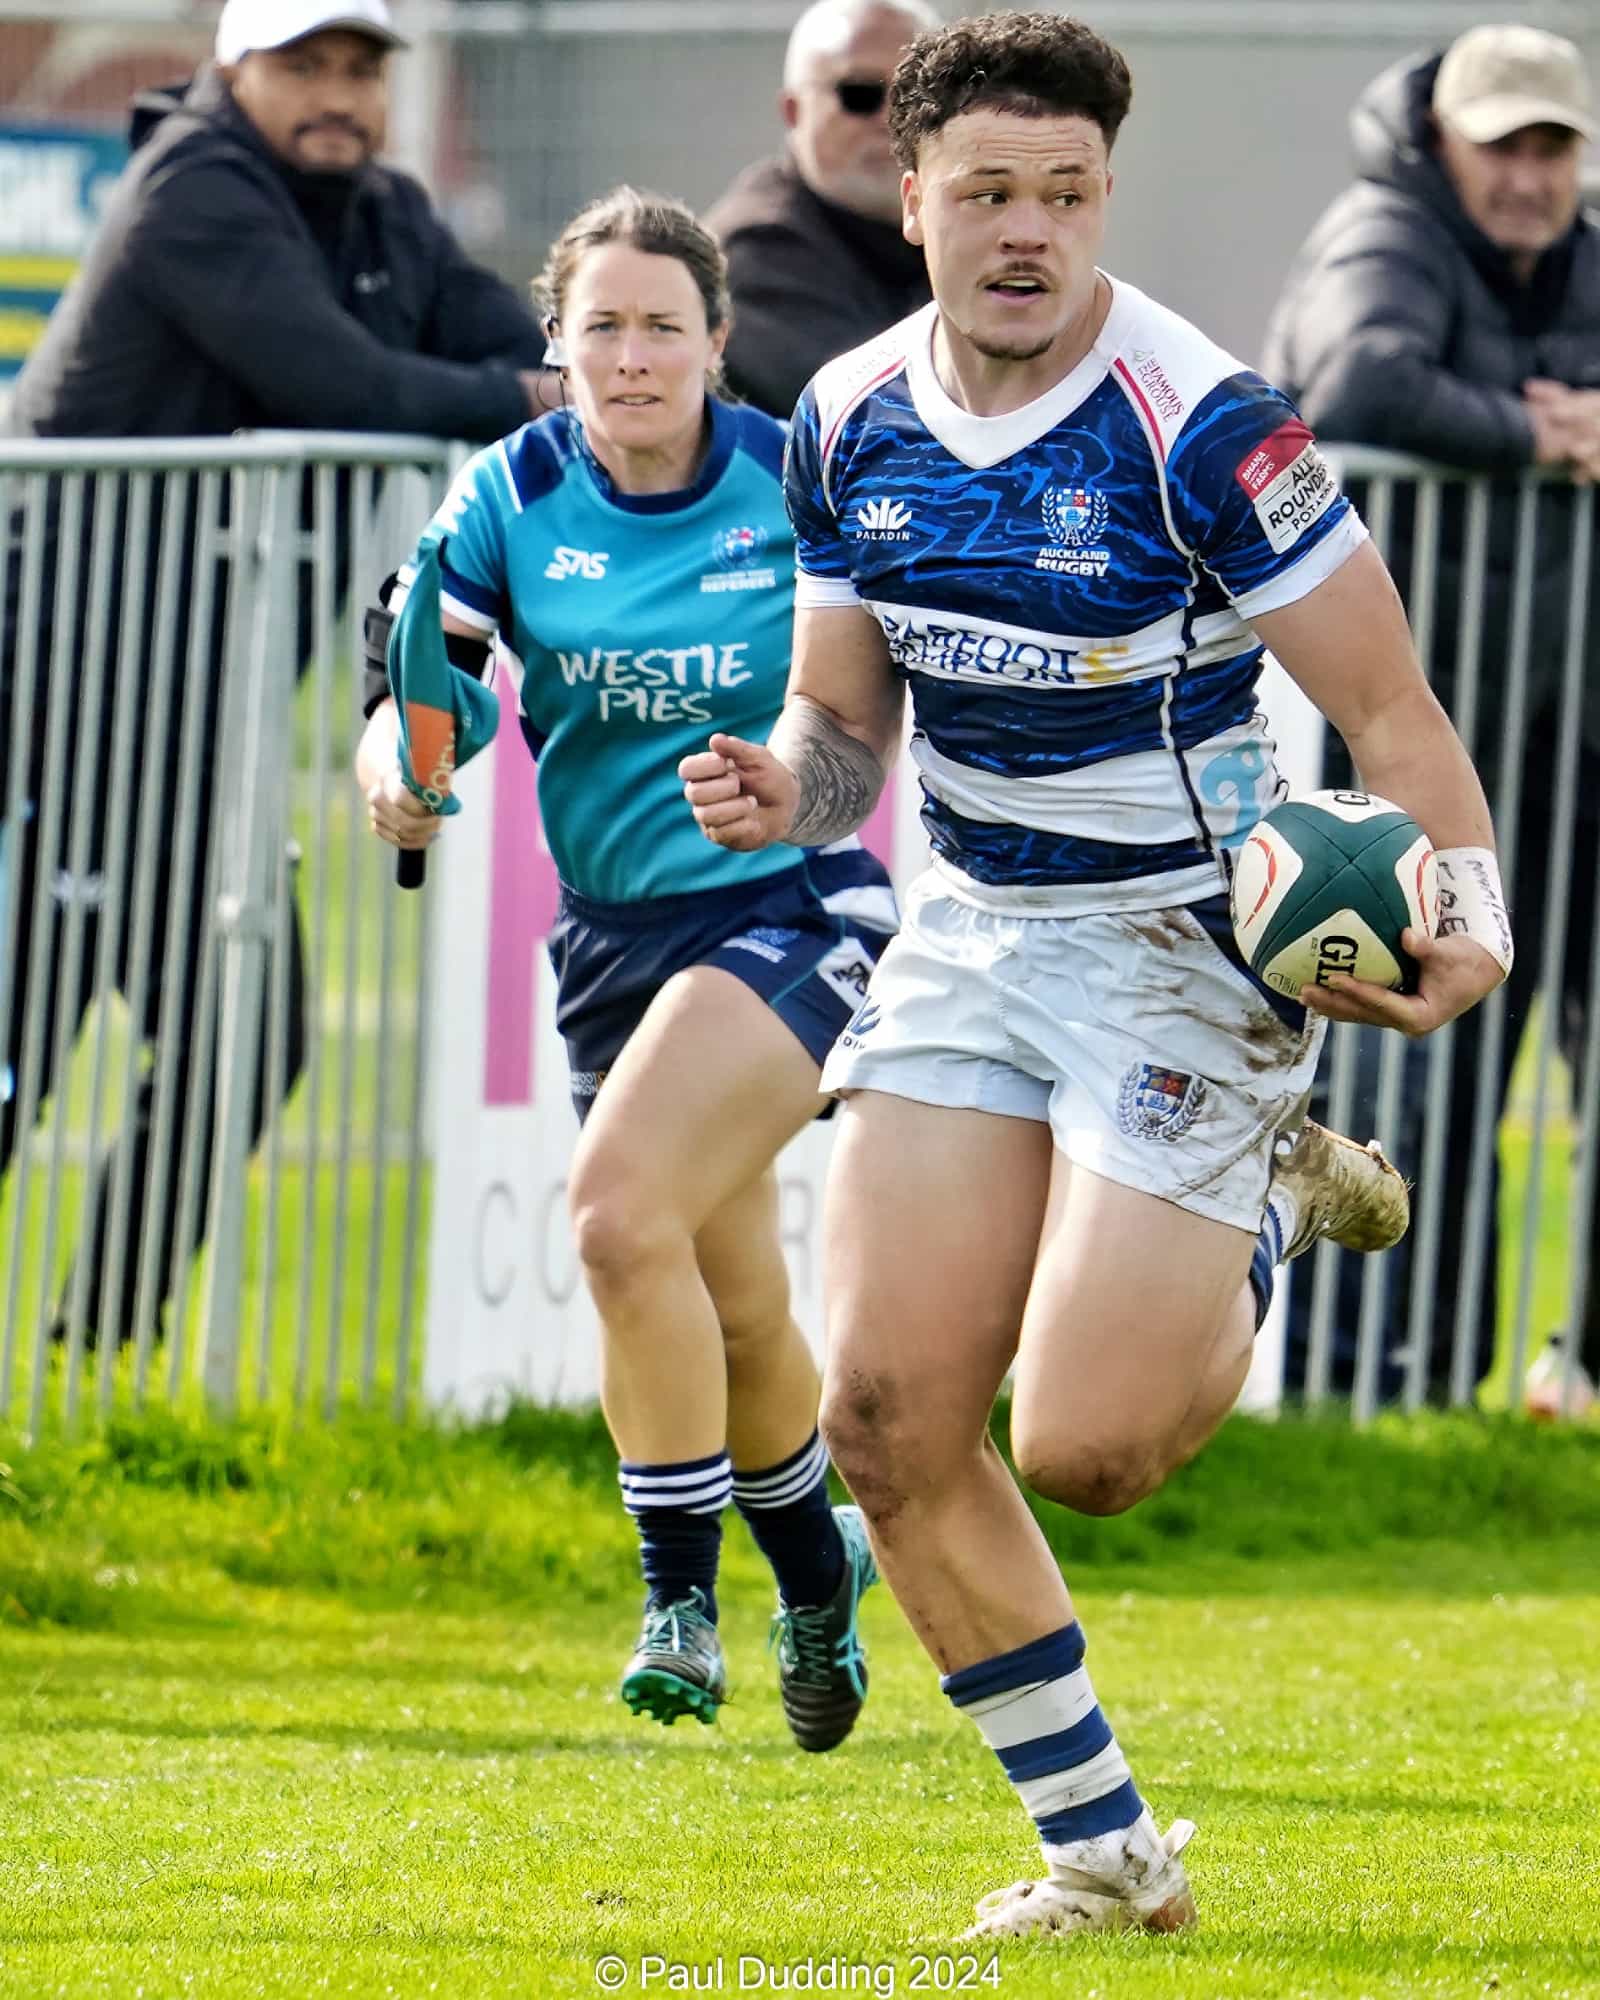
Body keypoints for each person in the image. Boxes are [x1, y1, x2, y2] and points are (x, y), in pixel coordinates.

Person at [681, 10, 1510, 1937]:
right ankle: (1106, 1858)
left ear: (1101, 201)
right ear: (914, 203)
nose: (1030, 230)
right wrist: (777, 791)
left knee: (1090, 1449)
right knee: (886, 1419)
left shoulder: (1205, 423)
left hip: (1187, 948)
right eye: (989, 194)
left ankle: (1264, 1201)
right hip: (971, 930)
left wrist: (1469, 919)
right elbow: (842, 733)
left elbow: (1387, 709)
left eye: (1067, 193)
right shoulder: (846, 417)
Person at [357, 188, 896, 1748]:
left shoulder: (796, 481)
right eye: (604, 325)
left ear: (720, 343)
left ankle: (678, 1598)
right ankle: (818, 1572)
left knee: (610, 1214)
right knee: (728, 1304)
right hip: (610, 938)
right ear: (558, 344)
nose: (636, 353)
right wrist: (395, 766)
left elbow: (871, 723)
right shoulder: (508, 495)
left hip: (792, 907)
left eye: (667, 325)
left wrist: (803, 780)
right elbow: (420, 689)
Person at [0, 0, 551, 1357]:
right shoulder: (194, 188)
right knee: (24, 1042)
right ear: (230, 69)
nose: (340, 95)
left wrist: (601, 365)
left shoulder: (384, 212)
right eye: (305, 63)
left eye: (362, 68)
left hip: (188, 716)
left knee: (246, 1030)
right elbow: (340, 382)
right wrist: (536, 400)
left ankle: (93, 1354)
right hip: (50, 698)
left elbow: (529, 329)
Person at [1261, 23, 1600, 1408]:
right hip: (1409, 733)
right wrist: (1534, 437)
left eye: (1553, 144)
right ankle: (1387, 1393)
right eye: (1502, 142)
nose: (1528, 174)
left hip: (1570, 727)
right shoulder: (1383, 232)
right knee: (1424, 1068)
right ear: (1440, 142)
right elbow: (1354, 386)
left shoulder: (1585, 249)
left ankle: (1555, 1388)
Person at [704, 0, 938, 419]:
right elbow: (877, 416)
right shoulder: (757, 250)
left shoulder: (950, 220)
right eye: (859, 95)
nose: (891, 119)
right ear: (794, 112)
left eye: (913, 95)